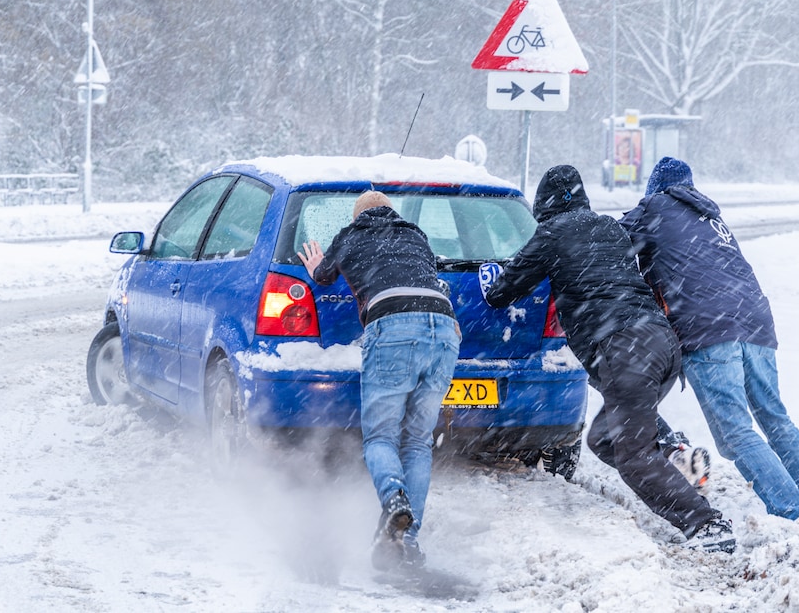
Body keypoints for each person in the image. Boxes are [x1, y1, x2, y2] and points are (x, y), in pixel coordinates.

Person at [484, 164, 735, 553]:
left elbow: (503, 291)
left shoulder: (551, 233)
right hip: (661, 343)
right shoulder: (611, 227)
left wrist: (492, 276)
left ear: (544, 203)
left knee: (633, 457)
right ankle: (673, 457)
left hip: (625, 348)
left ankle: (707, 525)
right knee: (603, 438)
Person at [620, 157, 799, 525]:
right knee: (776, 420)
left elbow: (608, 240)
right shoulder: (711, 217)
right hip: (755, 323)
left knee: (736, 432)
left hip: (708, 327)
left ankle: (795, 514)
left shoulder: (655, 206)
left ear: (655, 188)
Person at [298, 191, 461, 572]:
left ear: (358, 217)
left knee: (381, 437)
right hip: (444, 328)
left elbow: (323, 276)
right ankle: (407, 542)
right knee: (418, 441)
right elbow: (430, 275)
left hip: (392, 326)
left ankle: (393, 500)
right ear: (392, 212)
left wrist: (317, 266)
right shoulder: (416, 234)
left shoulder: (350, 235)